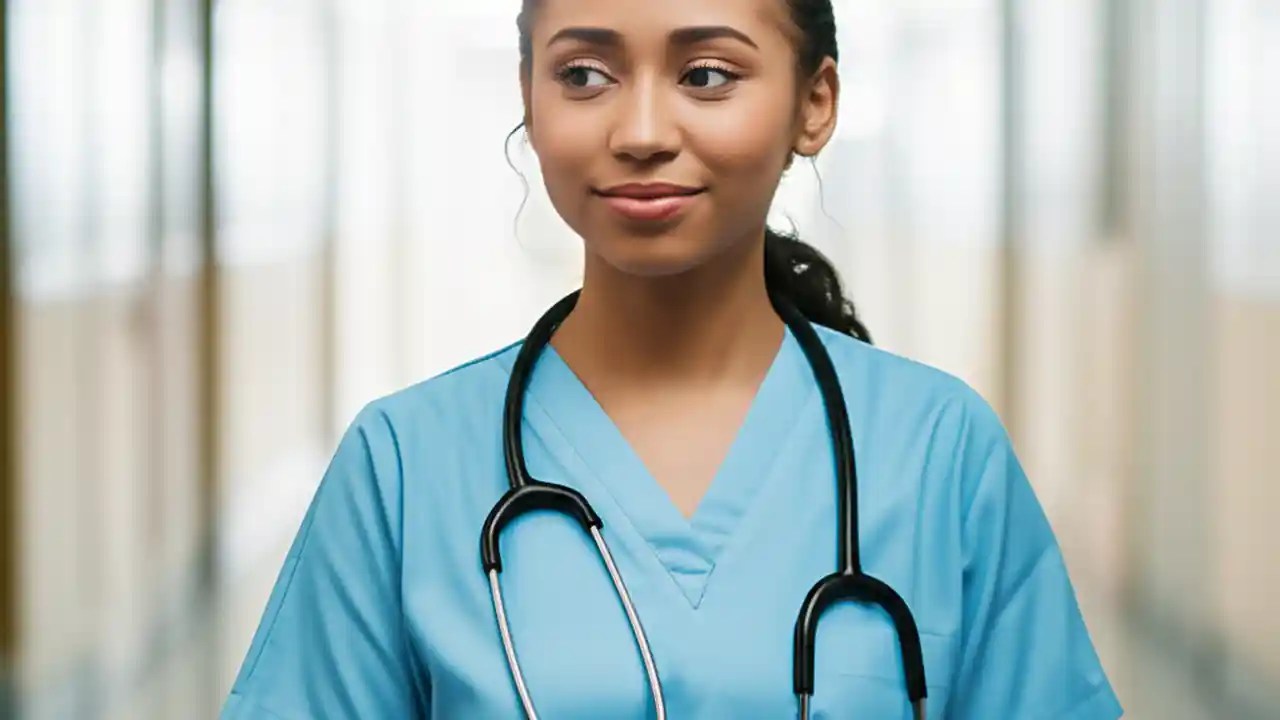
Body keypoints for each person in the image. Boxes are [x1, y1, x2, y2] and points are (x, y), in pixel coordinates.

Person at [220, 0, 1123, 717]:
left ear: (816, 103)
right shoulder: (405, 466)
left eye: (707, 74)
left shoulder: (937, 453)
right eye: (583, 74)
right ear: (528, 102)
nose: (642, 129)